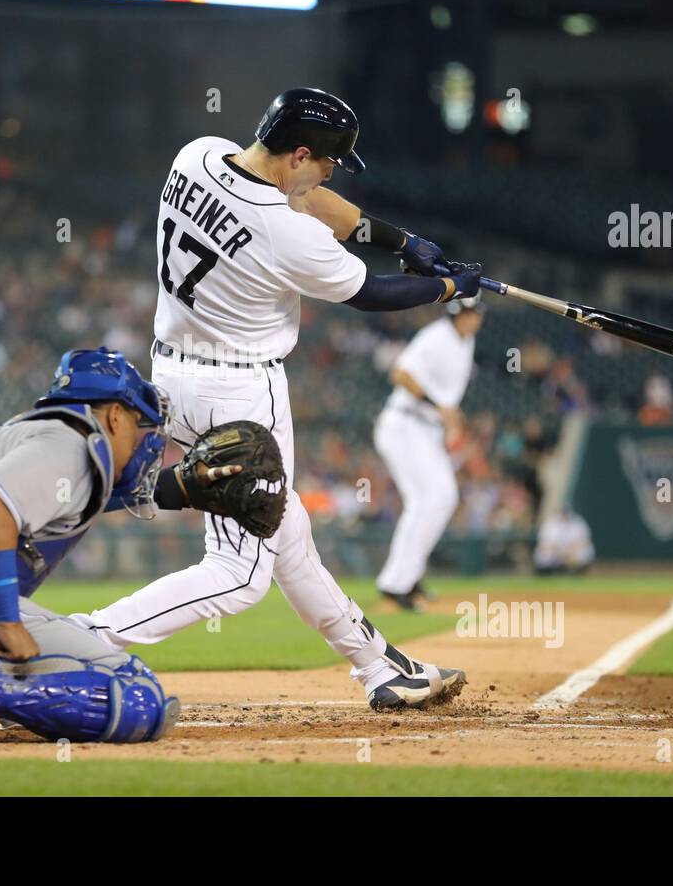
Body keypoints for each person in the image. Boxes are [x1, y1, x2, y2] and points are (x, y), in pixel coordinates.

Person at [71, 87, 478, 711]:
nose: (332, 170)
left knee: (287, 529)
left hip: (170, 376)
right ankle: (80, 641)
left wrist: (401, 241)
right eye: (328, 159)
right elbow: (369, 293)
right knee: (239, 573)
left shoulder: (198, 155)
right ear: (300, 153)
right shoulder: (286, 233)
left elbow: (311, 199)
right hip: (239, 392)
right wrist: (448, 286)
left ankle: (379, 668)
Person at [0, 348, 277, 745]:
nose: (147, 441)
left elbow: (73, 498)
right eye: (142, 426)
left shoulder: (34, 436)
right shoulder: (72, 440)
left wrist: (179, 487)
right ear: (114, 416)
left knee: (64, 688)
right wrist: (7, 620)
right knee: (137, 697)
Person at [373, 296, 484, 611]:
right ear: (453, 314)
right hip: (405, 424)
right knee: (435, 496)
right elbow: (401, 374)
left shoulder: (466, 342)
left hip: (425, 430)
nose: (470, 318)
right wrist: (440, 408)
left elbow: (447, 398)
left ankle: (408, 577)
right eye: (464, 313)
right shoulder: (438, 336)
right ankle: (397, 583)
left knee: (438, 499)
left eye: (474, 313)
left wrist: (449, 421)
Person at [534, 506, 594, 576]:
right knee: (542, 554)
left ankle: (577, 573)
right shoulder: (551, 523)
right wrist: (560, 554)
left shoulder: (578, 522)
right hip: (555, 553)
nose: (565, 516)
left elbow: (585, 541)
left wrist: (571, 553)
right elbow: (544, 543)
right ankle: (547, 573)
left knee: (586, 552)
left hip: (572, 552)